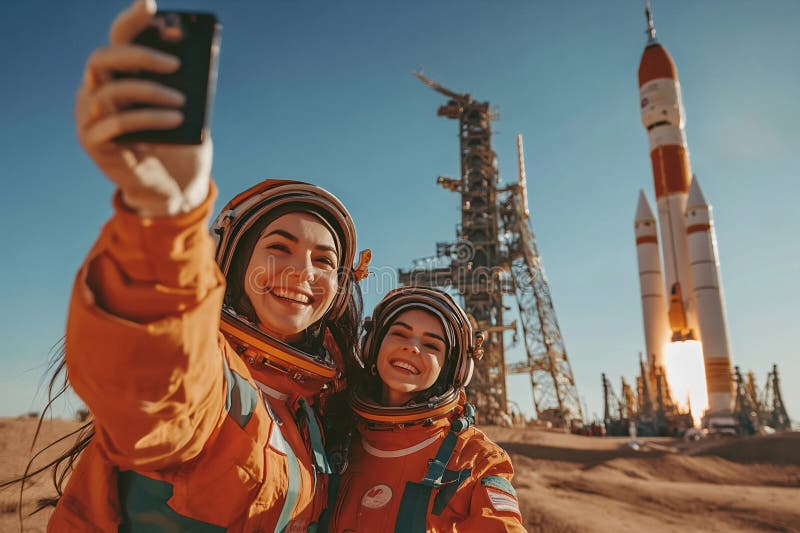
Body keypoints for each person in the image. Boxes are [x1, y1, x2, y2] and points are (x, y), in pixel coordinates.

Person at [42, 0, 368, 530]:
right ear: (234, 263)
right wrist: (164, 220)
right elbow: (156, 371)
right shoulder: (211, 372)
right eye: (278, 247)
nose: (302, 272)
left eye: (323, 260)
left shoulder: (320, 407)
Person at [327, 287, 526, 532]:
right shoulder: (334, 436)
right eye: (400, 334)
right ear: (372, 345)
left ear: (452, 370)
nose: (412, 348)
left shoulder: (475, 460)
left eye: (432, 345)